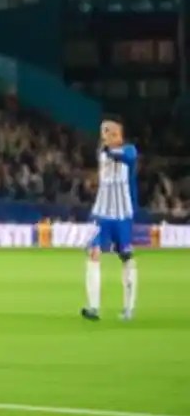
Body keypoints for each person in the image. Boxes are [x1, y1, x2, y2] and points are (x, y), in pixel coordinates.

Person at [82, 115, 139, 322]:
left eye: (113, 133)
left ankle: (128, 308)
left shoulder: (130, 151)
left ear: (121, 137)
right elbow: (108, 153)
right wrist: (105, 144)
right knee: (94, 253)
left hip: (122, 215)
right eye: (106, 132)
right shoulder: (103, 152)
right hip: (101, 214)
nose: (108, 136)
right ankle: (93, 307)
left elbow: (126, 158)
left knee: (126, 257)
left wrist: (108, 147)